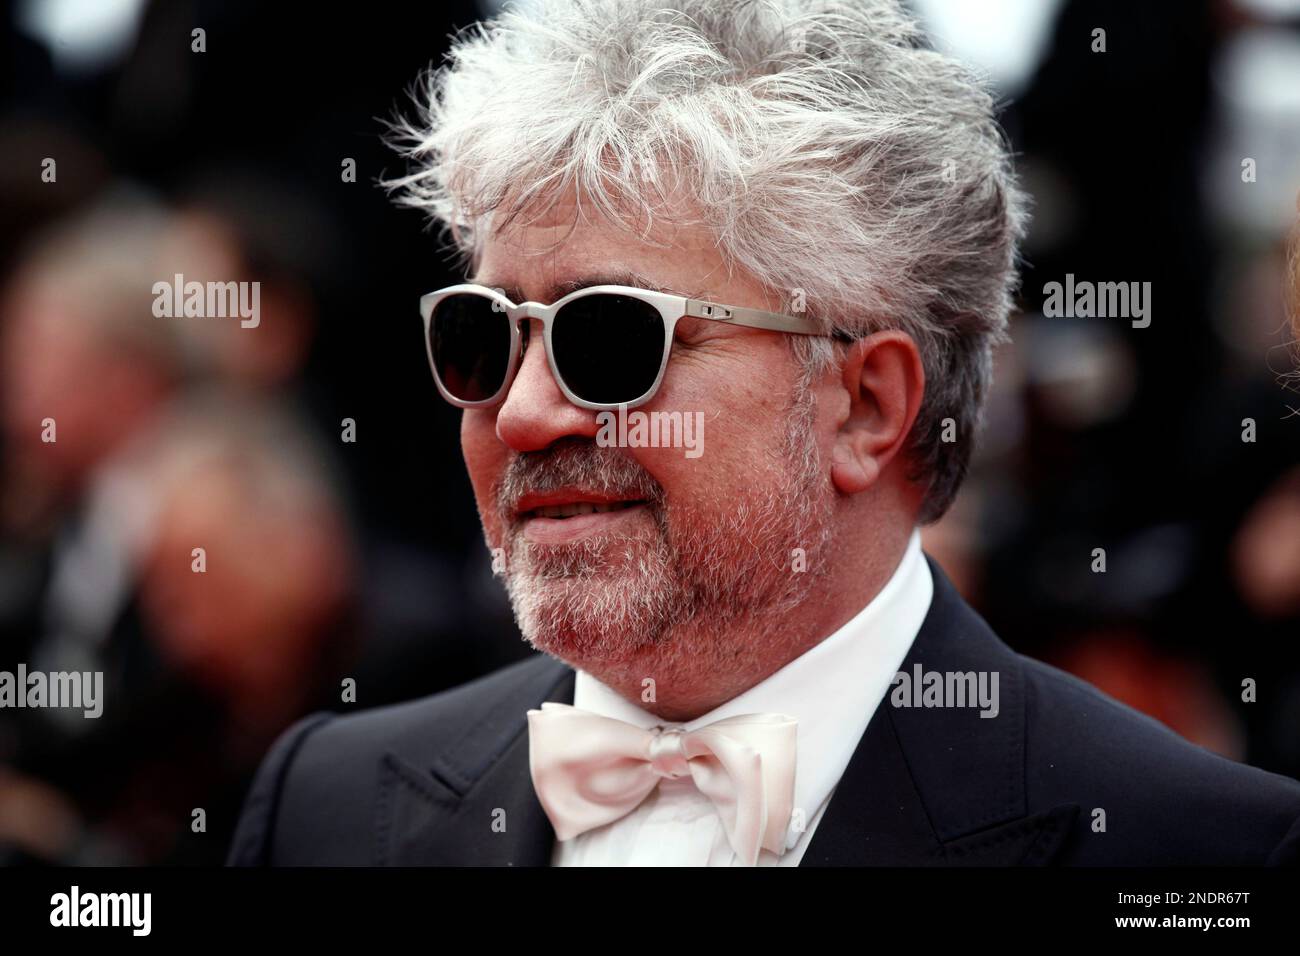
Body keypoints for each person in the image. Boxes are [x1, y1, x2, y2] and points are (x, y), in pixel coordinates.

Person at [228, 0, 1300, 866]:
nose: (521, 410)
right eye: (483, 335)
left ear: (867, 404)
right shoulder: (325, 805)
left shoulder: (1196, 850)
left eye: (612, 340)